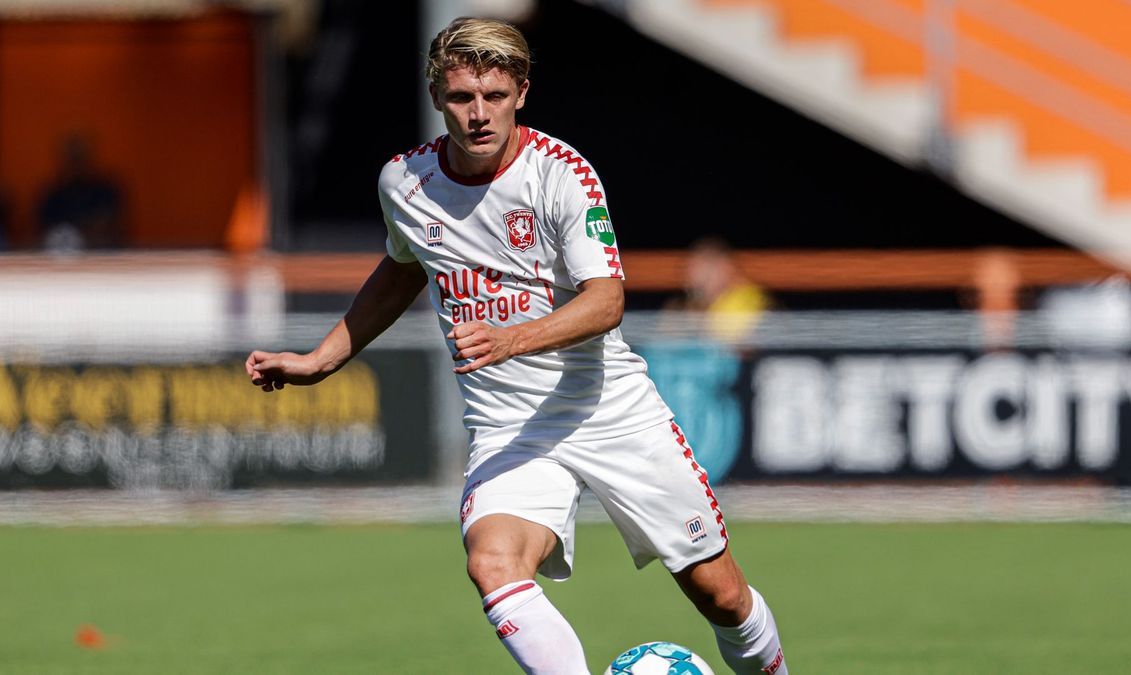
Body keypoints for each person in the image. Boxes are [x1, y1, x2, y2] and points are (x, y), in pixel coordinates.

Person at [245, 17, 787, 674]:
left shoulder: (563, 175)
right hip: (510, 428)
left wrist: (512, 339)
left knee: (722, 596)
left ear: (522, 93)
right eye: (461, 97)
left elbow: (606, 300)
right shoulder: (404, 183)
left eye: (495, 96)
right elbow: (404, 267)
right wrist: (320, 358)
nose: (478, 114)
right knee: (492, 562)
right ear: (436, 95)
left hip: (608, 411)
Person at [37, 133, 125, 251]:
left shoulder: (106, 191)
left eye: (80, 156)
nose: (76, 162)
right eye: (72, 157)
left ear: (89, 156)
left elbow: (112, 228)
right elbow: (46, 234)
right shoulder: (52, 195)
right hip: (63, 255)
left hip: (101, 253)